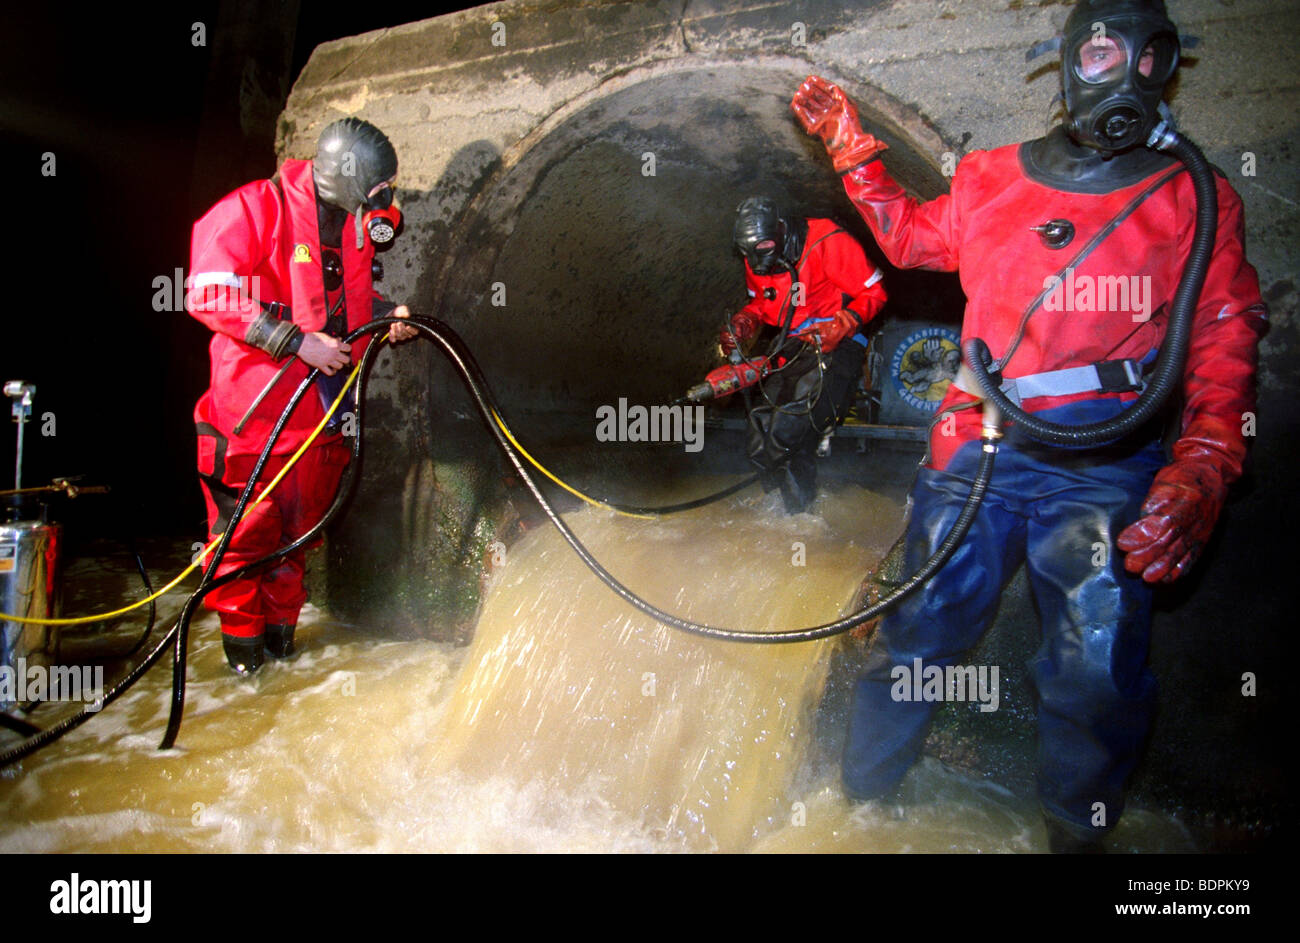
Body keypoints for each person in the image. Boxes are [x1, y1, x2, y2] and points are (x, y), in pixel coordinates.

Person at [791, 0, 1266, 850]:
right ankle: (855, 812)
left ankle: (1075, 835)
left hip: (1106, 459)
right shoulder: (988, 177)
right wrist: (849, 147)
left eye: (1147, 60)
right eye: (1099, 56)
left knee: (1096, 674)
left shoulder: (1195, 198)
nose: (1123, 78)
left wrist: (1203, 465)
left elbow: (1225, 334)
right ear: (1064, 65)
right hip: (980, 444)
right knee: (917, 637)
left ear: (1167, 69)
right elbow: (908, 239)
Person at [186, 117, 418, 675]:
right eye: (379, 186)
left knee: (295, 543)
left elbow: (345, 302)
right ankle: (245, 674)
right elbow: (206, 290)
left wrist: (388, 317)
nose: (385, 199)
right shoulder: (254, 209)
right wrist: (293, 341)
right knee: (243, 544)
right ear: (349, 173)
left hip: (318, 422)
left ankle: (283, 666)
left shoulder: (351, 229)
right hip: (256, 417)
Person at [721, 196, 887, 513]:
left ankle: (800, 520)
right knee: (759, 432)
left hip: (837, 343)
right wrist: (746, 320)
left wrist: (845, 324)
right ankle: (776, 508)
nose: (757, 261)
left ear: (782, 230)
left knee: (787, 430)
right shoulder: (755, 250)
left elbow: (875, 290)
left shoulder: (827, 239)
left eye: (765, 250)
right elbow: (762, 303)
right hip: (792, 344)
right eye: (749, 253)